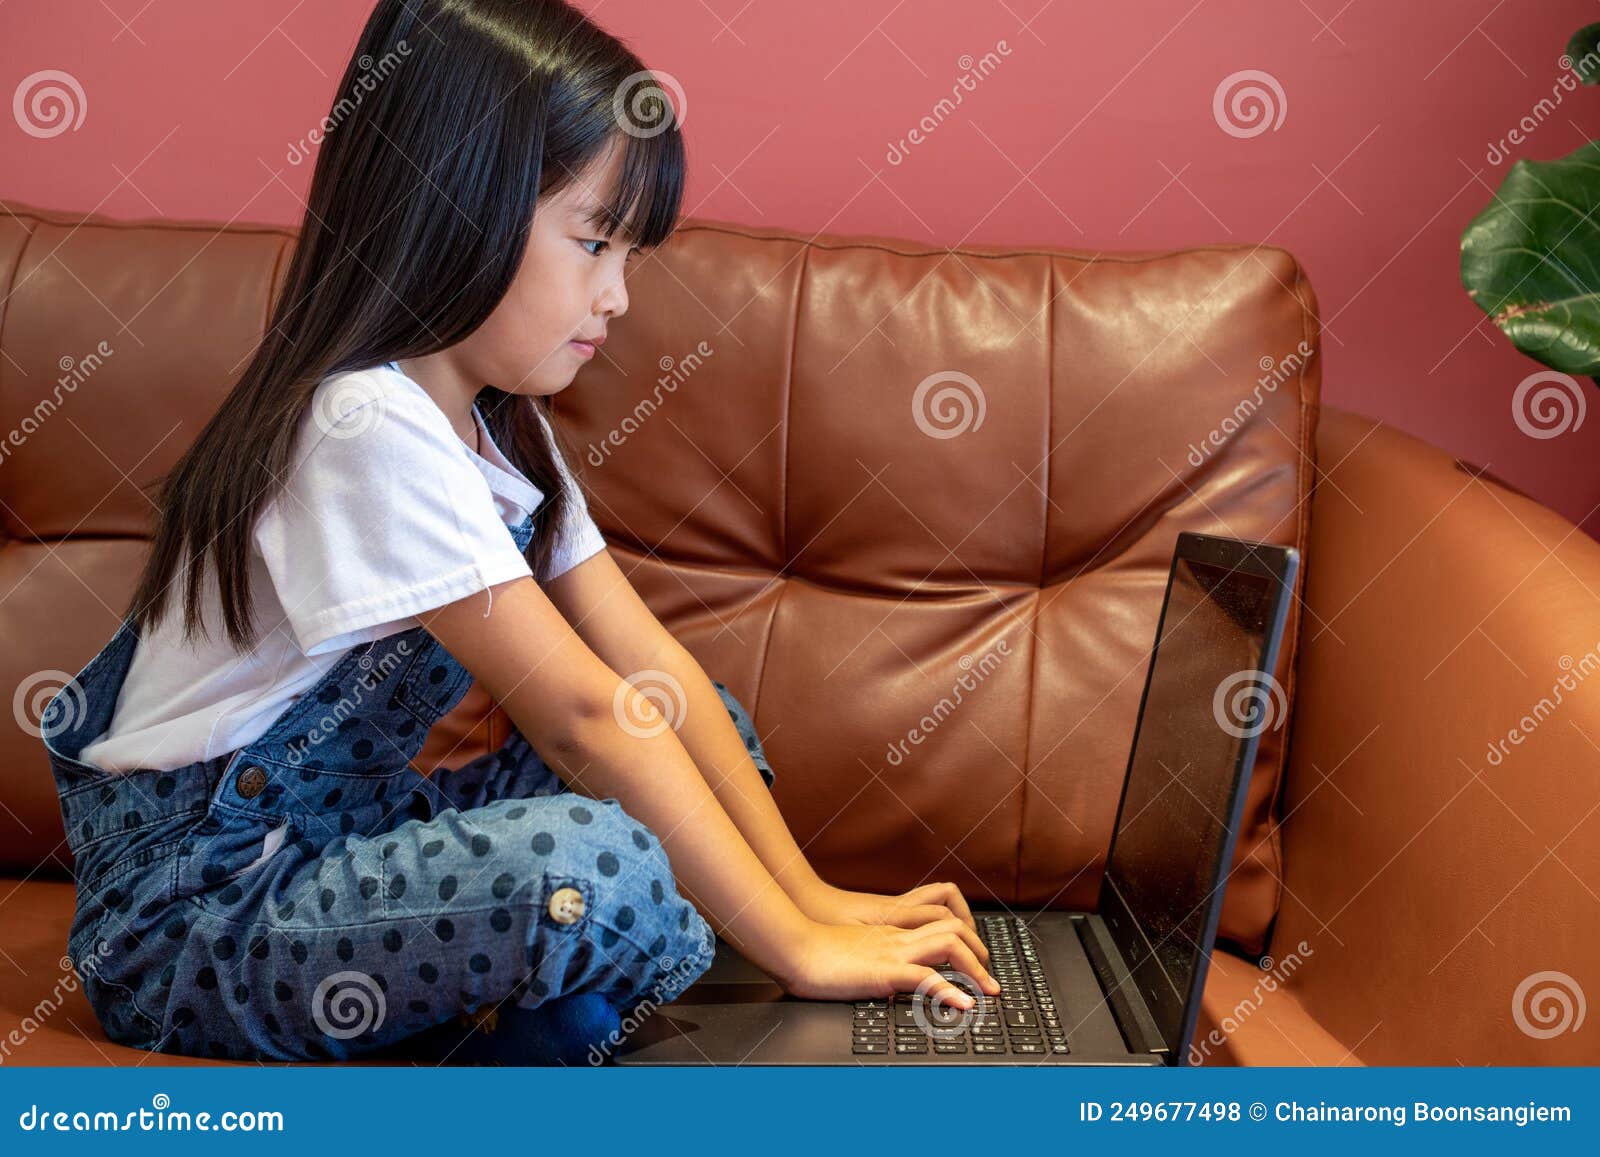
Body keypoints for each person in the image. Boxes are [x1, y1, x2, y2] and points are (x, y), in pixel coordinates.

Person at [39, 0, 998, 1066]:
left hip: (344, 847)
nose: (617, 295)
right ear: (456, 204)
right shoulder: (361, 421)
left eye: (628, 255)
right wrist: (801, 950)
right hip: (201, 919)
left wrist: (812, 900)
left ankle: (541, 1000)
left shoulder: (499, 425)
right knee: (585, 866)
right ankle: (534, 1021)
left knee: (698, 723)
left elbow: (644, 667)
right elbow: (584, 717)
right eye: (593, 243)